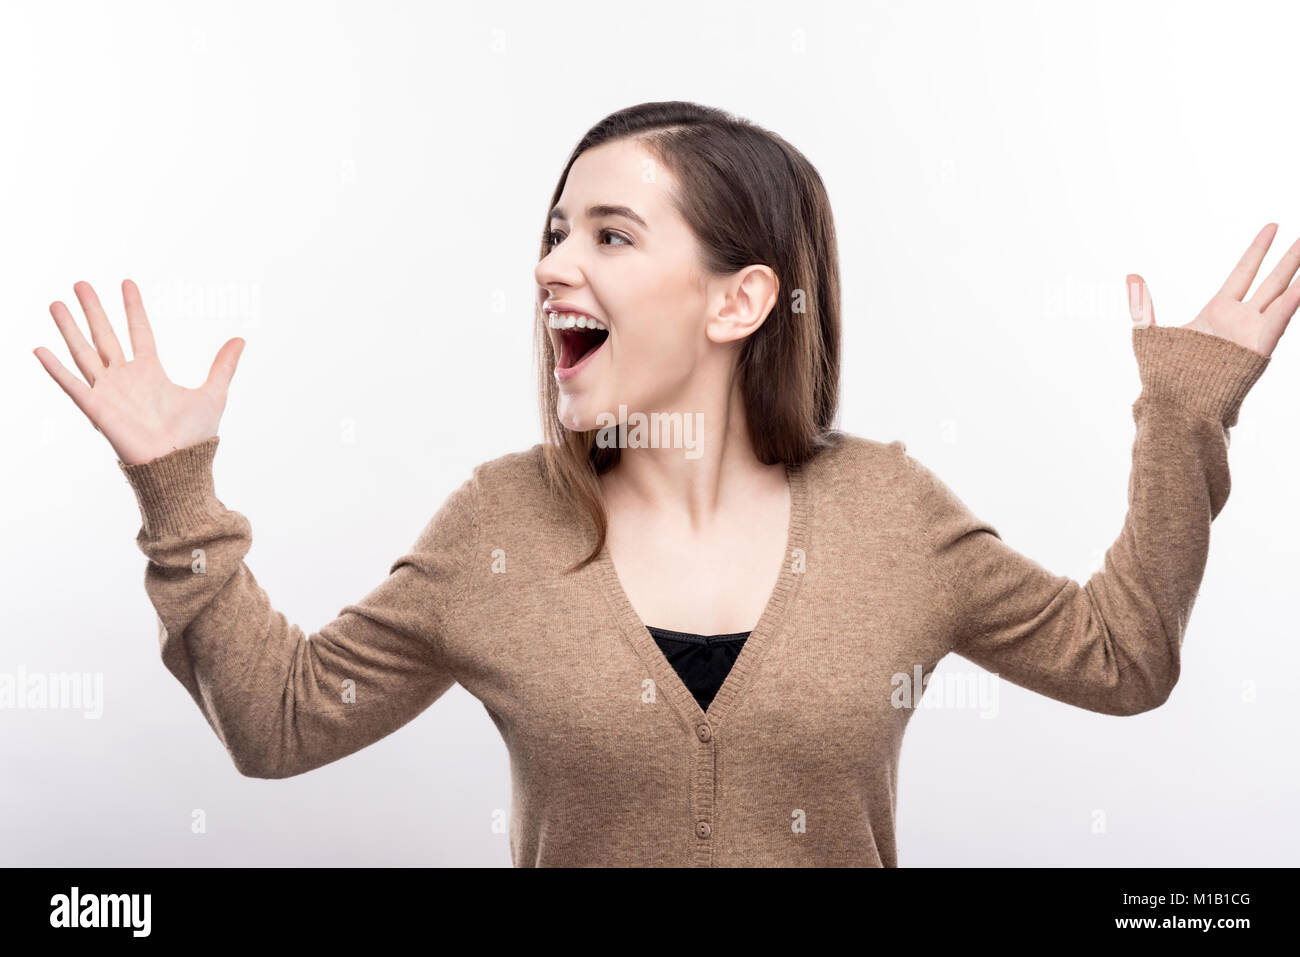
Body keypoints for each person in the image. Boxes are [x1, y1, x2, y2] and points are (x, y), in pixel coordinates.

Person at [33, 101, 1292, 867]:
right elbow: (280, 724)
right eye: (553, 231)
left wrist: (1183, 414)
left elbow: (1124, 663)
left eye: (610, 235)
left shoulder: (893, 516)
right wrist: (174, 489)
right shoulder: (498, 528)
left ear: (743, 299)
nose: (548, 267)